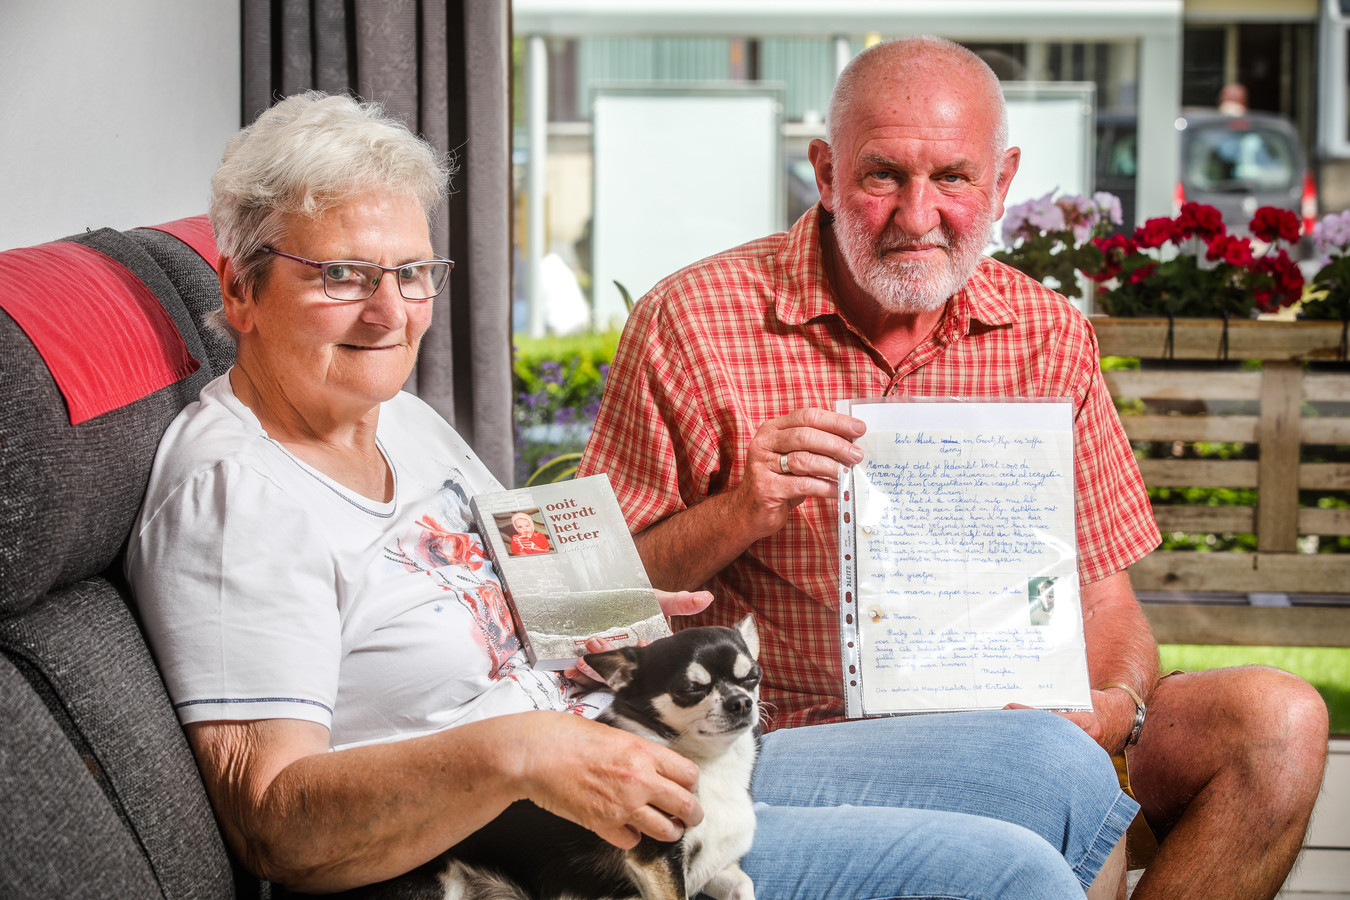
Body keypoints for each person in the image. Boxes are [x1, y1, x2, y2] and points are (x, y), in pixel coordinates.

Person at [125, 90, 1135, 898]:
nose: (391, 314)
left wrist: (632, 602)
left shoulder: (398, 420)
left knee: (1053, 765)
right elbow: (275, 820)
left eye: (414, 272)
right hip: (550, 845)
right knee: (1012, 875)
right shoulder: (236, 499)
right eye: (342, 275)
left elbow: (561, 590)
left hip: (626, 744)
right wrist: (519, 750)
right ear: (241, 291)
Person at [579, 36, 1330, 900]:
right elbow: (592, 604)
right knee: (1044, 771)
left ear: (1003, 183)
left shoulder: (1048, 334)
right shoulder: (692, 323)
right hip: (785, 739)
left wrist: (1114, 701)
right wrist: (740, 509)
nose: (917, 213)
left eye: (954, 179)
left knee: (1278, 722)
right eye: (882, 175)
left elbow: (1106, 602)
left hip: (1012, 716)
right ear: (824, 173)